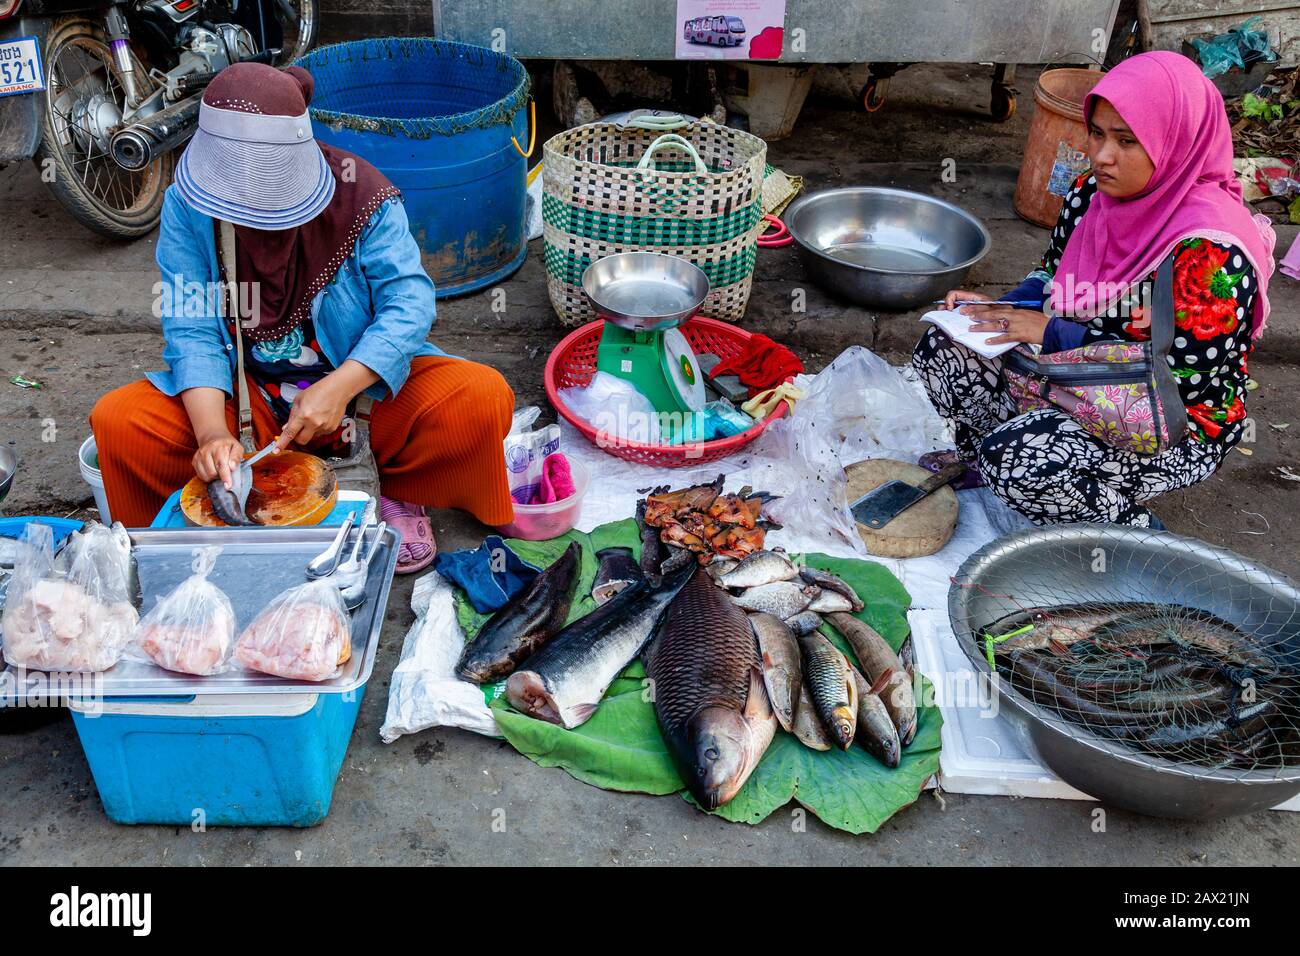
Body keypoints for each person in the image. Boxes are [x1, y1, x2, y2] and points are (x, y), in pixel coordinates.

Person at [90, 62, 516, 572]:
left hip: (364, 403)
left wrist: (340, 388)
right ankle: (197, 516)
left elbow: (410, 306)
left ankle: (399, 490)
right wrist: (210, 436)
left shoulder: (364, 196)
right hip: (250, 406)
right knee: (120, 423)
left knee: (480, 398)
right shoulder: (190, 204)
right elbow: (192, 327)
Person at [912, 51, 1275, 528]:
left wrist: (1054, 333)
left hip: (1170, 422)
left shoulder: (1211, 252)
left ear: (1177, 144)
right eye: (1097, 133)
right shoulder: (1091, 193)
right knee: (945, 345)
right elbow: (1052, 274)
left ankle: (1137, 537)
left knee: (1022, 461)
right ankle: (994, 458)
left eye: (1127, 141)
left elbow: (1188, 380)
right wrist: (1005, 306)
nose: (1102, 155)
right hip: (1075, 377)